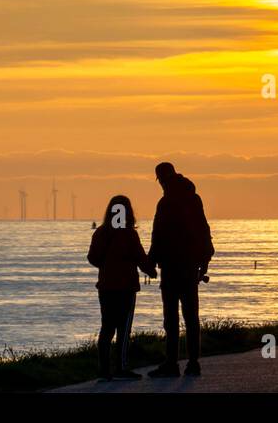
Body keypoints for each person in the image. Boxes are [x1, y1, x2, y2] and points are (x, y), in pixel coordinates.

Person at [147, 162, 214, 378]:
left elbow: (158, 234)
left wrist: (150, 262)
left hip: (172, 266)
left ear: (162, 179)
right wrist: (205, 258)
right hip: (189, 265)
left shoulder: (165, 203)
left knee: (172, 318)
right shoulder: (193, 198)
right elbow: (203, 229)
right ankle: (193, 363)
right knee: (191, 316)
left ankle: (171, 363)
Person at [88, 195, 155, 380]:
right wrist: (152, 271)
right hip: (126, 288)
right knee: (123, 330)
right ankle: (121, 368)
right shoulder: (129, 234)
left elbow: (92, 258)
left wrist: (107, 264)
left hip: (106, 287)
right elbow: (141, 259)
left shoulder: (101, 232)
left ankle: (103, 370)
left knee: (107, 328)